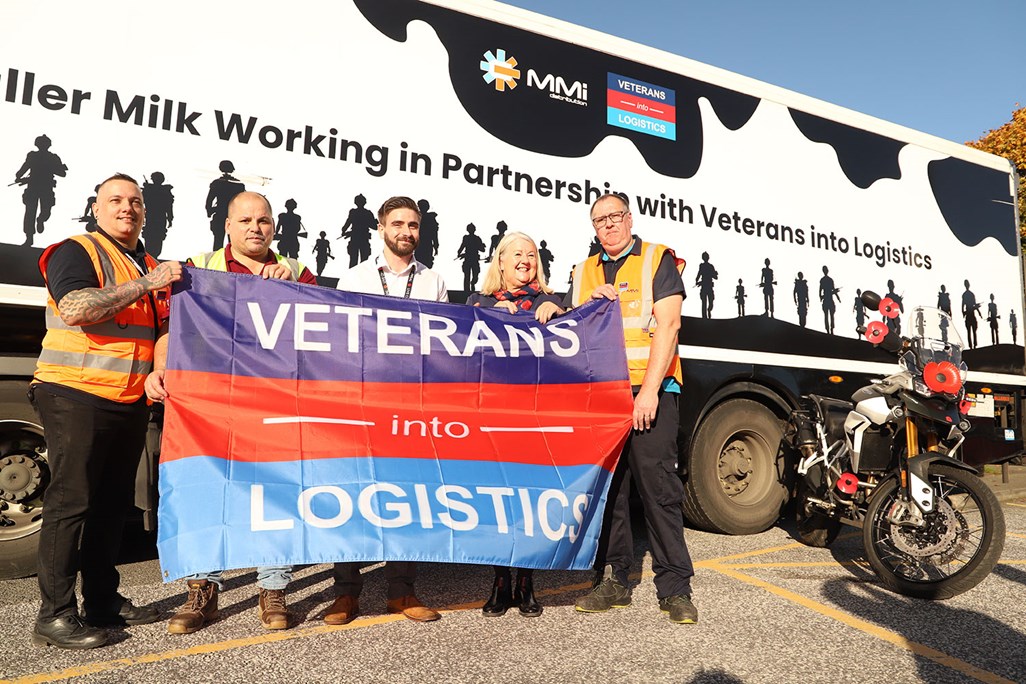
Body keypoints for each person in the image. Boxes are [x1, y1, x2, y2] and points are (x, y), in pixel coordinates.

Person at [146, 192, 316, 634]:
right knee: (207, 490)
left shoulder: (297, 273)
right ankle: (202, 592)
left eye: (263, 220)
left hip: (273, 402)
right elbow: (171, 328)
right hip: (211, 403)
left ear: (274, 226)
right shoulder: (199, 268)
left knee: (273, 494)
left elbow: (326, 339)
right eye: (245, 220)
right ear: (227, 225)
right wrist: (160, 369)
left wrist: (291, 291)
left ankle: (273, 589)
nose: (254, 227)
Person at [29, 173, 182, 649]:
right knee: (71, 502)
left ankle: (102, 600)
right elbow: (76, 308)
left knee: (111, 506)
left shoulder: (146, 262)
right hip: (74, 392)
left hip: (127, 398)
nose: (127, 208)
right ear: (96, 208)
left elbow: (160, 328)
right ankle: (53, 616)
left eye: (135, 202)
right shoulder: (77, 250)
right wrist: (148, 281)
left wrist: (159, 369)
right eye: (115, 200)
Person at [566, 193, 697, 625]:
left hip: (648, 391)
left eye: (615, 217)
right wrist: (588, 305)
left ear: (629, 218)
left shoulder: (657, 258)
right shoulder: (583, 271)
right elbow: (573, 331)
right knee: (611, 493)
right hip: (601, 397)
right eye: (600, 220)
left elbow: (669, 325)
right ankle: (616, 580)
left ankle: (675, 589)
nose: (608, 226)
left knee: (659, 491)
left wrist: (650, 392)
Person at [327, 196, 447, 625]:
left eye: (413, 225)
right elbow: (338, 343)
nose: (406, 232)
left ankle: (402, 591)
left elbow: (441, 349)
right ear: (381, 228)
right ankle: (346, 593)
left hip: (410, 406)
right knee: (353, 494)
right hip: (362, 402)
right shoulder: (354, 277)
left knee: (406, 498)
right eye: (398, 224)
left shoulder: (433, 282)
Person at [466, 231, 563, 618]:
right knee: (496, 502)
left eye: (532, 254)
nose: (525, 259)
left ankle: (526, 582)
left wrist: (558, 313)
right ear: (501, 261)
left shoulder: (551, 302)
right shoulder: (477, 302)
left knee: (529, 499)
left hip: (534, 419)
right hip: (492, 417)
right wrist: (489, 319)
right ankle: (499, 581)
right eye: (517, 254)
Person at [14, 134, 67, 246]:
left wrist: (56, 168)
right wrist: (18, 175)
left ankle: (41, 220)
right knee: (30, 213)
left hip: (46, 187)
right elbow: (25, 166)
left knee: (45, 210)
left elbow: (62, 173)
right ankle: (29, 237)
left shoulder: (53, 158)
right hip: (33, 187)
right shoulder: (33, 156)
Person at [205, 160, 245, 251]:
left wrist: (209, 211)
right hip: (233, 215)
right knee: (232, 241)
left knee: (218, 241)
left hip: (219, 214)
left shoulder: (217, 183)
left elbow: (209, 200)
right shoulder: (239, 185)